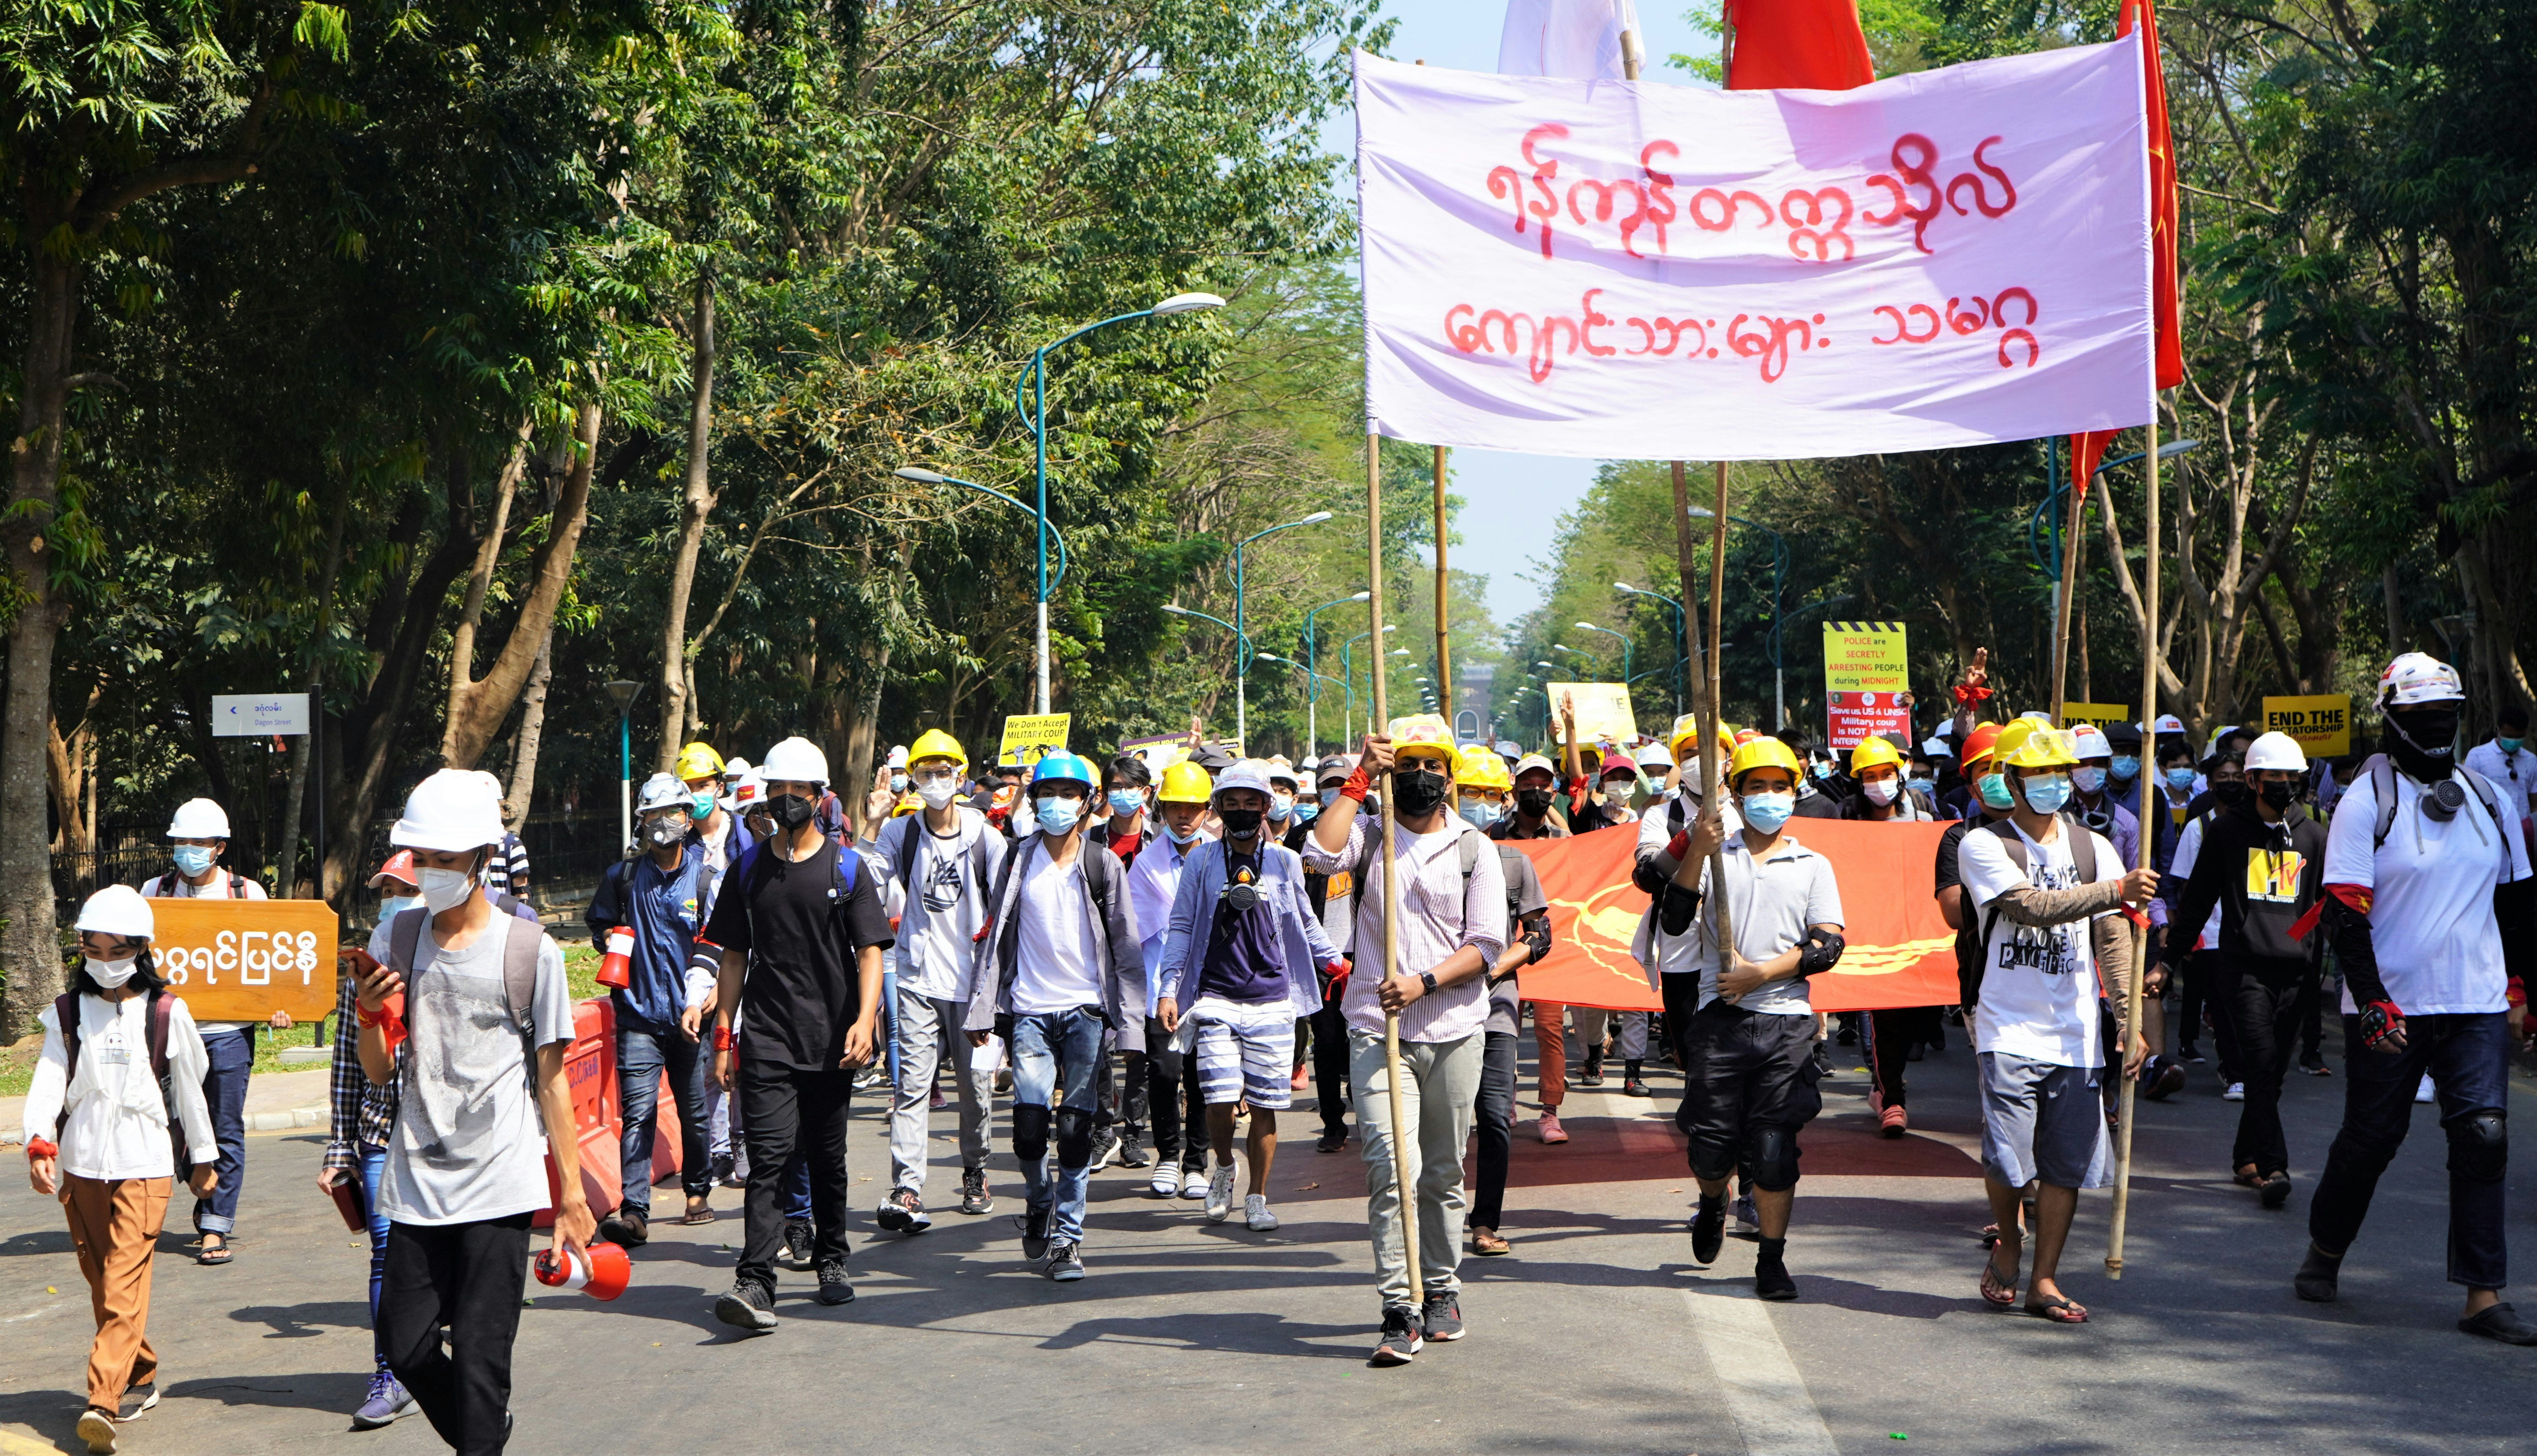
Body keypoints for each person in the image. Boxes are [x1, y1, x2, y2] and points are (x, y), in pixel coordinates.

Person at [2297, 654, 2537, 1343]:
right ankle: (2325, 1250)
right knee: (2372, 1139)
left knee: (2483, 1137)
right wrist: (2370, 1000)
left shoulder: (2487, 798)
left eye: (2445, 716)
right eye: (2420, 718)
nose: (2435, 728)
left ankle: (2483, 1296)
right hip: (2391, 1005)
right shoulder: (2365, 800)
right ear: (2391, 721)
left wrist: (2522, 992)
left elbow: (2516, 907)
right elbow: (2343, 913)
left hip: (2476, 1003)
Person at [349, 770, 589, 1453]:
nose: (430, 873)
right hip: (418, 1178)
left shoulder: (527, 951)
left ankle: (481, 1435)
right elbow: (376, 1069)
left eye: (445, 861)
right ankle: (484, 1436)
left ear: (483, 859)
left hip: (501, 1179)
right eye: (421, 859)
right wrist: (368, 1013)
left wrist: (571, 1196)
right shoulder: (396, 938)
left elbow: (552, 1084)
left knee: (484, 1359)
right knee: (404, 1340)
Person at [1304, 715, 1507, 1365]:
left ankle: (1442, 1289)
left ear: (1450, 778)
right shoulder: (1369, 836)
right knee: (1392, 1169)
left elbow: (1486, 946)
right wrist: (1361, 775)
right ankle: (1399, 1306)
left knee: (1442, 1172)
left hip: (1452, 1030)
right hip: (1375, 1029)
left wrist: (1423, 982)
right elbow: (1317, 853)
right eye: (1409, 765)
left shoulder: (1475, 849)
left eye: (1433, 767)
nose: (1421, 777)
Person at [1958, 724, 2154, 1325]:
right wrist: (2113, 891)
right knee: (2007, 1159)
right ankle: (2010, 1243)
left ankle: (2043, 1278)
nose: (2049, 784)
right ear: (2010, 781)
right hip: (2006, 1026)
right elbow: (2029, 908)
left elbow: (2113, 938)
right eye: (2035, 774)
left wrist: (2128, 1017)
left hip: (2074, 1032)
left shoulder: (2094, 849)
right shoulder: (1984, 845)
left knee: (2065, 1164)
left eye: (2056, 773)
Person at [702, 736, 893, 1329]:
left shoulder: (847, 868)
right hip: (766, 1039)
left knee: (828, 1158)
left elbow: (870, 954)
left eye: (796, 792)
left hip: (831, 1039)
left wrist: (864, 1021)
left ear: (819, 797)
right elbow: (733, 956)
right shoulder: (749, 868)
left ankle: (833, 1258)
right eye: (776, 791)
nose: (785, 801)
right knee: (768, 1161)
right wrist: (725, 1034)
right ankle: (755, 1280)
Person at [23, 887, 218, 1456]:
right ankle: (141, 1369)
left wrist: (202, 1159)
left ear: (140, 949)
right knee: (103, 1282)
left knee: (124, 1281)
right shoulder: (66, 1011)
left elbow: (191, 1091)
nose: (105, 960)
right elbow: (48, 1080)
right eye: (94, 947)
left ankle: (101, 1402)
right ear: (81, 946)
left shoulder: (166, 1012)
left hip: (146, 1163)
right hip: (82, 1164)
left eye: (118, 948)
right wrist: (40, 1143)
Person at [1660, 737, 1845, 1301]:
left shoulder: (1812, 865)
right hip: (1721, 1024)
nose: (1769, 796)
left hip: (1786, 1025)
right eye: (1756, 787)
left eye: (1779, 787)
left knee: (1772, 1151)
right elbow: (1672, 921)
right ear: (1736, 794)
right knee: (1710, 1149)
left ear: (1794, 792)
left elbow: (1826, 946)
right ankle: (1713, 1200)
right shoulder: (1716, 856)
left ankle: (1771, 1259)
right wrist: (1697, 849)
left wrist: (1760, 975)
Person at [964, 751, 1146, 1281]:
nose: (1057, 803)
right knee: (1026, 1130)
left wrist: (1130, 1025)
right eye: (1047, 793)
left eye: (1069, 794)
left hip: (1086, 1013)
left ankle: (1067, 1239)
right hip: (1029, 1014)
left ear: (1088, 802)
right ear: (1033, 800)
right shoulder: (1017, 860)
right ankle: (1038, 1198)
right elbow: (995, 938)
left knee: (1073, 1131)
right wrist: (983, 1007)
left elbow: (1126, 948)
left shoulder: (1101, 863)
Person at [1155, 760, 1345, 1231]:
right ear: (1218, 807)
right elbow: (1180, 926)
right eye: (1232, 803)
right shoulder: (1201, 861)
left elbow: (1304, 919)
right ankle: (1223, 1167)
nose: (1241, 811)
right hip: (1215, 997)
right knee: (1217, 1098)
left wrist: (1336, 962)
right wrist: (1168, 988)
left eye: (1251, 803)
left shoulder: (1283, 860)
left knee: (1264, 1106)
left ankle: (1257, 1197)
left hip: (1275, 1000)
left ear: (1265, 807)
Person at [2161, 731, 2327, 1207]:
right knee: (2256, 1061)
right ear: (2252, 780)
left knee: (2270, 1073)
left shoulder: (2315, 836)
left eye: (2289, 776)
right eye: (2271, 775)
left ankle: (2243, 1158)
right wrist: (2166, 961)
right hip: (2242, 971)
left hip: (2297, 973)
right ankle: (2273, 1166)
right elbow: (2195, 903)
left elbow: (2327, 906)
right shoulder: (2226, 832)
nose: (2281, 783)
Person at [873, 729, 1007, 1232]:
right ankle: (907, 1188)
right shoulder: (900, 834)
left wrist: (999, 989)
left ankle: (975, 1170)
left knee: (975, 1087)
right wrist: (870, 825)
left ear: (960, 776)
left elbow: (1004, 910)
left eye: (942, 773)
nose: (934, 782)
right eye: (924, 774)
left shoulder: (985, 839)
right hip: (916, 981)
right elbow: (864, 884)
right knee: (911, 1087)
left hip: (971, 986)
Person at [587, 773, 722, 1246]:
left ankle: (697, 1192)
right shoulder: (621, 878)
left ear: (688, 819)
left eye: (672, 813)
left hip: (690, 1019)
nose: (663, 823)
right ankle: (634, 1212)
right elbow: (599, 923)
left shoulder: (706, 880)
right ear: (642, 822)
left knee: (693, 1112)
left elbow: (724, 943)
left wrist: (714, 993)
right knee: (638, 1112)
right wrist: (608, 938)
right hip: (637, 1017)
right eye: (653, 815)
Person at [137, 798, 270, 1270]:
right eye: (181, 841)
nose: (188, 850)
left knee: (225, 1128)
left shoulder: (246, 894)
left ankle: (216, 1225)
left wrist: (278, 1007)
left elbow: (269, 959)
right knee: (167, 1125)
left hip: (229, 1032)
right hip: (170, 1031)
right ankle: (182, 1186)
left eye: (198, 842)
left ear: (219, 847)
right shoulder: (154, 890)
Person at [1455, 746, 1553, 1258]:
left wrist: (1493, 967)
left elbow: (1540, 935)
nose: (1481, 803)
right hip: (1434, 1011)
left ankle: (1485, 1220)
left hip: (1495, 1007)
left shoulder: (1515, 861)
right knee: (1442, 1126)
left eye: (1491, 794)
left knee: (1494, 1117)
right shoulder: (1426, 854)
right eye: (1470, 792)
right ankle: (1442, 1214)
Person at [1126, 758, 1215, 1193]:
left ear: (1207, 810)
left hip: (1211, 987)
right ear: (1161, 808)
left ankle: (1197, 1164)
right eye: (1175, 806)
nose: (1183, 815)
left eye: (1193, 807)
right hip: (1160, 988)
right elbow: (1138, 930)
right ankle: (1167, 1156)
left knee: (1202, 1076)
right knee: (1164, 1072)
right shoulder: (1144, 864)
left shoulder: (1222, 854)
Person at [1490, 752, 1574, 1142]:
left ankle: (1550, 1111)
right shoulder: (1492, 838)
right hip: (1506, 948)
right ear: (1514, 787)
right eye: (1528, 785)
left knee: (1549, 1029)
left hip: (1548, 950)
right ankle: (1503, 1102)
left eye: (1544, 786)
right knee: (1503, 1027)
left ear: (1553, 791)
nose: (1536, 792)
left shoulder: (1565, 842)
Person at [2168, 752, 2248, 1093]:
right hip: (2211, 935)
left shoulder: (2256, 827)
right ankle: (2235, 1074)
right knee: (2224, 1006)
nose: (2230, 782)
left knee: (2247, 1008)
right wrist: (2187, 936)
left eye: (2237, 775)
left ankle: (2244, 1066)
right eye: (2223, 776)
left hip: (2249, 934)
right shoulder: (2198, 828)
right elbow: (2187, 887)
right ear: (2211, 783)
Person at [1302, 756, 1358, 1153]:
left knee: (1365, 1039)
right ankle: (1333, 1123)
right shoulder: (1304, 839)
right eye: (1329, 784)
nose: (1335, 790)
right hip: (1321, 958)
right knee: (1325, 1041)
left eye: (1344, 783)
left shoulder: (1375, 832)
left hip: (1367, 955)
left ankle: (1370, 1109)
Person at [676, 741, 756, 882]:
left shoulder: (746, 830)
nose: (695, 793)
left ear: (720, 789)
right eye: (688, 787)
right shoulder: (678, 838)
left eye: (703, 785)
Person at [2464, 703, 2535, 832]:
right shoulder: (2477, 756)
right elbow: (2469, 797)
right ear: (2497, 730)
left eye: (2519, 737)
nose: (2514, 741)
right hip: (2488, 828)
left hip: (2522, 831)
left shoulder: (2531, 760)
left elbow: (2535, 803)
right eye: (2509, 736)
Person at [1841, 734, 1935, 822]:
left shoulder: (1923, 821)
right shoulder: (1850, 826)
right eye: (1871, 777)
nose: (1880, 783)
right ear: (1861, 783)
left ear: (1899, 777)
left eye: (1887, 775)